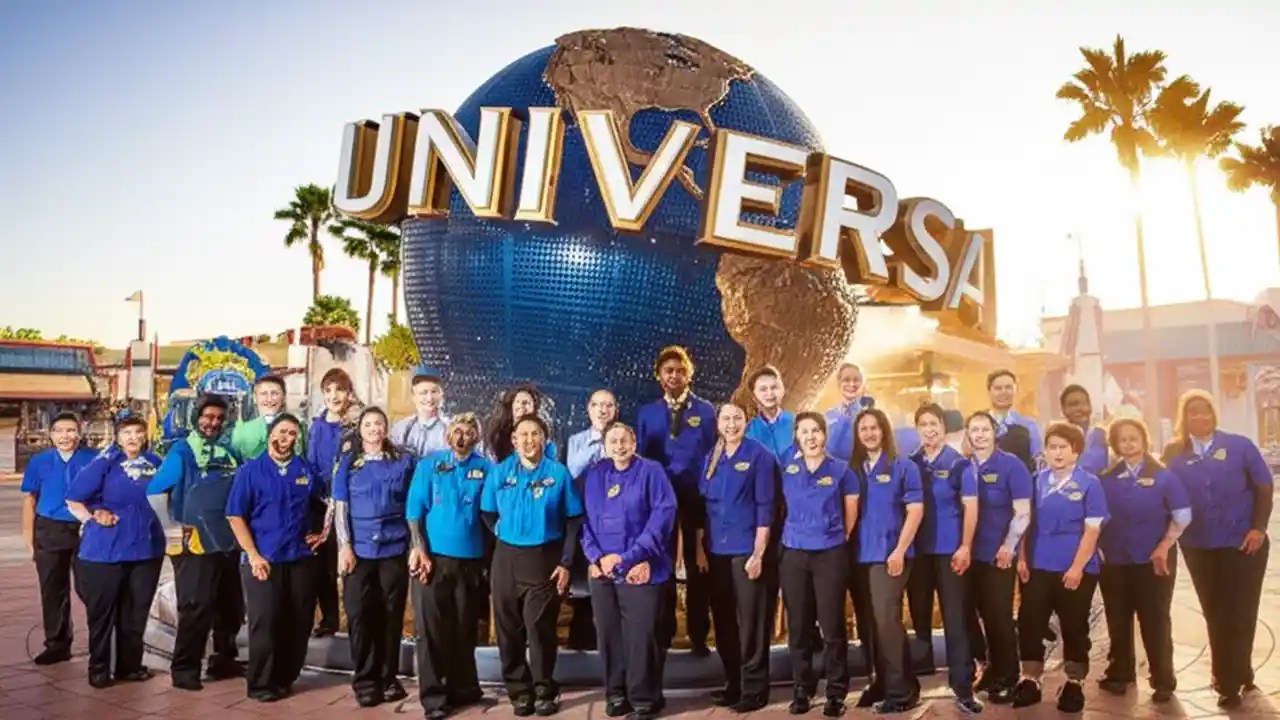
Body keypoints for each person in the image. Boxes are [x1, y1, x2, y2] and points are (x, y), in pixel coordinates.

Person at [1162, 389, 1273, 709]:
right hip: (1200, 546)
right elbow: (1162, 491)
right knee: (1216, 610)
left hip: (1243, 543)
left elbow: (1264, 486)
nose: (1200, 417)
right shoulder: (1174, 453)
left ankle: (1232, 677)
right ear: (1184, 417)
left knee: (1241, 609)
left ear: (1215, 414)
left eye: (1205, 411)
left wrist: (1258, 528)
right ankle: (1230, 675)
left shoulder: (1239, 446)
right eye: (1192, 412)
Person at [481, 415, 584, 716]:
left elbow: (574, 520)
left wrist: (565, 562)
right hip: (507, 559)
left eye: (534, 434)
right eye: (522, 435)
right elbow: (487, 513)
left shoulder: (558, 474)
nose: (528, 440)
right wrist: (501, 532)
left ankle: (543, 689)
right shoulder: (500, 473)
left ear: (543, 438)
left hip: (544, 559)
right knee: (508, 630)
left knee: (540, 630)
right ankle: (519, 691)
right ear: (514, 440)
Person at [225, 414, 328, 702]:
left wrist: (322, 533)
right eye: (282, 432)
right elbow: (235, 516)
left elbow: (325, 503)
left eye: (293, 434)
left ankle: (286, 676)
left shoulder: (304, 469)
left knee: (298, 619)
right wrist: (253, 555)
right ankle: (261, 683)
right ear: (271, 434)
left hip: (299, 558)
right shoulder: (251, 471)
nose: (287, 439)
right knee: (265, 620)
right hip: (264, 559)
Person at [146, 395, 245, 690]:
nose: (213, 422)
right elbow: (154, 492)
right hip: (194, 546)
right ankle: (185, 669)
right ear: (196, 417)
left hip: (227, 543)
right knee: (196, 606)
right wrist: (170, 530)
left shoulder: (228, 453)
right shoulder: (182, 453)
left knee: (231, 607)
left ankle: (223, 660)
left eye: (218, 418)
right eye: (208, 416)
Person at [581, 423, 677, 720]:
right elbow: (583, 523)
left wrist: (631, 557)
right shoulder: (594, 475)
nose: (619, 445)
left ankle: (645, 700)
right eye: (613, 441)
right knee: (610, 636)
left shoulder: (652, 472)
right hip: (604, 573)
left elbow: (662, 517)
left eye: (625, 440)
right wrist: (597, 558)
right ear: (605, 445)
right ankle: (616, 693)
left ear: (634, 442)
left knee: (641, 637)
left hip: (641, 568)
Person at [1011, 423, 1107, 713]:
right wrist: (1023, 558)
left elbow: (1093, 530)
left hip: (1075, 567)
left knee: (1074, 625)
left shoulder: (1090, 483)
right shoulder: (1036, 481)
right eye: (1052, 447)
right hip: (1039, 564)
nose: (1057, 453)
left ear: (1076, 451)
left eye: (1063, 447)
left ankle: (1074, 682)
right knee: (1030, 621)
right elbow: (1024, 523)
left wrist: (1077, 567)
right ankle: (1030, 678)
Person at [64, 413, 166, 688]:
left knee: (136, 612)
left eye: (137, 432)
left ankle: (129, 666)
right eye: (127, 433)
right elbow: (74, 498)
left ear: (145, 435)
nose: (133, 438)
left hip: (147, 549)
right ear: (118, 437)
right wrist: (94, 515)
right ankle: (98, 668)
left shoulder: (156, 463)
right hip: (106, 551)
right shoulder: (106, 462)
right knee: (103, 613)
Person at [1096, 418, 1190, 703]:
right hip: (1115, 560)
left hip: (1153, 560)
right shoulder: (1106, 478)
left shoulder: (1164, 476)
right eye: (1122, 438)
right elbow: (1096, 517)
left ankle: (1163, 679)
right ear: (1115, 444)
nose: (1128, 443)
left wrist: (1164, 545)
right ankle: (1120, 673)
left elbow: (1183, 515)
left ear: (1144, 439)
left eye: (1133, 437)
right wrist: (1098, 547)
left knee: (1155, 619)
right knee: (1118, 618)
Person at [635, 346, 717, 656]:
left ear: (689, 374)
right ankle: (664, 634)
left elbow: (712, 455)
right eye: (668, 371)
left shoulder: (706, 411)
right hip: (661, 500)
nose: (674, 376)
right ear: (659, 376)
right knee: (663, 565)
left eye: (680, 371)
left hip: (697, 498)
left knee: (699, 568)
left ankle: (699, 636)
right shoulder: (647, 412)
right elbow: (641, 456)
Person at [408, 413, 491, 720]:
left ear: (476, 438)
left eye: (468, 432)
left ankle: (463, 689)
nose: (461, 437)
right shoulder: (429, 465)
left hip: (470, 562)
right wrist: (419, 549)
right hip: (434, 561)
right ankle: (434, 699)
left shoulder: (485, 469)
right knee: (431, 631)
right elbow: (415, 510)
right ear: (447, 436)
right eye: (456, 431)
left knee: (463, 627)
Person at [778, 412, 859, 718]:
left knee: (832, 625)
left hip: (829, 554)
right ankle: (802, 687)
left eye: (816, 431)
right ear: (797, 436)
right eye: (804, 431)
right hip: (794, 554)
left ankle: (836, 691)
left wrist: (836, 537)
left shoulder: (841, 470)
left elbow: (851, 514)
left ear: (824, 435)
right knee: (798, 626)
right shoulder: (788, 468)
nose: (811, 436)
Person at [698, 402, 778, 713]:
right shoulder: (712, 456)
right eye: (726, 419)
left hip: (747, 551)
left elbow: (765, 509)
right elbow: (706, 504)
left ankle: (755, 689)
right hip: (717, 552)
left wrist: (759, 553)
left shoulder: (759, 456)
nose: (731, 424)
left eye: (737, 418)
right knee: (726, 622)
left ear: (746, 421)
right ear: (717, 423)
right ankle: (734, 683)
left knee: (751, 624)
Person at [334, 407, 416, 707]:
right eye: (367, 424)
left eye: (378, 423)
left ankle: (388, 676)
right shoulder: (348, 463)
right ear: (360, 429)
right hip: (359, 552)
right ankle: (365, 680)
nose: (373, 428)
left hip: (393, 549)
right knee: (359, 615)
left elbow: (412, 506)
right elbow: (341, 507)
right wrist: (344, 545)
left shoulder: (403, 461)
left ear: (386, 428)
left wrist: (415, 545)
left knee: (390, 615)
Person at [905, 404, 982, 713]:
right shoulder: (910, 463)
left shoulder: (960, 465)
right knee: (919, 618)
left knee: (955, 620)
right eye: (923, 424)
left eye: (934, 423)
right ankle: (911, 687)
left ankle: (963, 688)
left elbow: (971, 509)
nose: (929, 429)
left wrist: (965, 546)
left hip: (951, 553)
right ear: (917, 428)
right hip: (920, 554)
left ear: (943, 427)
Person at [849, 408, 924, 714]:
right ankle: (880, 681)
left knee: (887, 620)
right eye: (863, 428)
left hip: (890, 556)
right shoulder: (852, 469)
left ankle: (901, 691)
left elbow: (915, 511)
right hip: (859, 557)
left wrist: (899, 551)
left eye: (874, 428)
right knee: (868, 624)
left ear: (885, 431)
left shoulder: (903, 467)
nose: (869, 433)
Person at [963, 411, 1032, 705]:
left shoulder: (1011, 466)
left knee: (998, 616)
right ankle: (991, 667)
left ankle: (1008, 675)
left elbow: (1023, 512)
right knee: (969, 614)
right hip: (969, 555)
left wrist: (1009, 546)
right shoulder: (964, 467)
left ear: (995, 433)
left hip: (997, 555)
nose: (979, 435)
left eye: (984, 429)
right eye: (974, 430)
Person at [20, 412, 97, 666]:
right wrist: (30, 540)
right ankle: (57, 644)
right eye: (60, 431)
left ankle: (101, 642)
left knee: (92, 588)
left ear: (80, 432)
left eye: (71, 430)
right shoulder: (39, 461)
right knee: (53, 590)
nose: (66, 436)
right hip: (49, 530)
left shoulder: (93, 459)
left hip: (86, 529)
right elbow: (30, 500)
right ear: (51, 435)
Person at [563, 389, 619, 651]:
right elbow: (570, 476)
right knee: (583, 583)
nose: (602, 410)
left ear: (615, 409)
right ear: (589, 409)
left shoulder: (623, 440)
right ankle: (581, 641)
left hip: (616, 524)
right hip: (584, 521)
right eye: (597, 405)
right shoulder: (575, 441)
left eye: (608, 405)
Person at [308, 368, 359, 638]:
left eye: (339, 389)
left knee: (350, 560)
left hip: (347, 502)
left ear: (348, 392)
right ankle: (328, 619)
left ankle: (355, 619)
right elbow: (311, 462)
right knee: (323, 565)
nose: (334, 396)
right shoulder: (317, 426)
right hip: (320, 502)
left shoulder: (354, 425)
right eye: (328, 390)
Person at [230, 375, 303, 460]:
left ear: (283, 398)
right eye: (264, 394)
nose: (269, 399)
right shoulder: (241, 430)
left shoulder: (298, 427)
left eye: (274, 393)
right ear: (254, 398)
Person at [486, 383, 560, 463]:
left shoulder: (546, 444)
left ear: (534, 409)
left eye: (526, 403)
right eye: (518, 402)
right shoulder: (498, 437)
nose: (521, 407)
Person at [986, 370, 1041, 472]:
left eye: (1008, 387)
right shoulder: (977, 424)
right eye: (998, 388)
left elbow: (1038, 461)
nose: (1004, 392)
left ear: (1015, 391)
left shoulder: (1029, 425)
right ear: (989, 391)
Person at [391, 368, 451, 458]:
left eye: (434, 392)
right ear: (413, 396)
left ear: (441, 394)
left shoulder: (450, 428)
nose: (429, 398)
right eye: (423, 393)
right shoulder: (401, 429)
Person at [745, 365, 795, 460]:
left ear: (782, 390)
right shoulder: (749, 433)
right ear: (754, 396)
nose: (770, 394)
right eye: (763, 389)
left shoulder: (797, 424)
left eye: (774, 387)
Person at [1059, 385, 1109, 475]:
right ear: (1063, 410)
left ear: (1090, 406)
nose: (1079, 408)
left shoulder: (1102, 436)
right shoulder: (1057, 440)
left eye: (1084, 403)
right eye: (1073, 404)